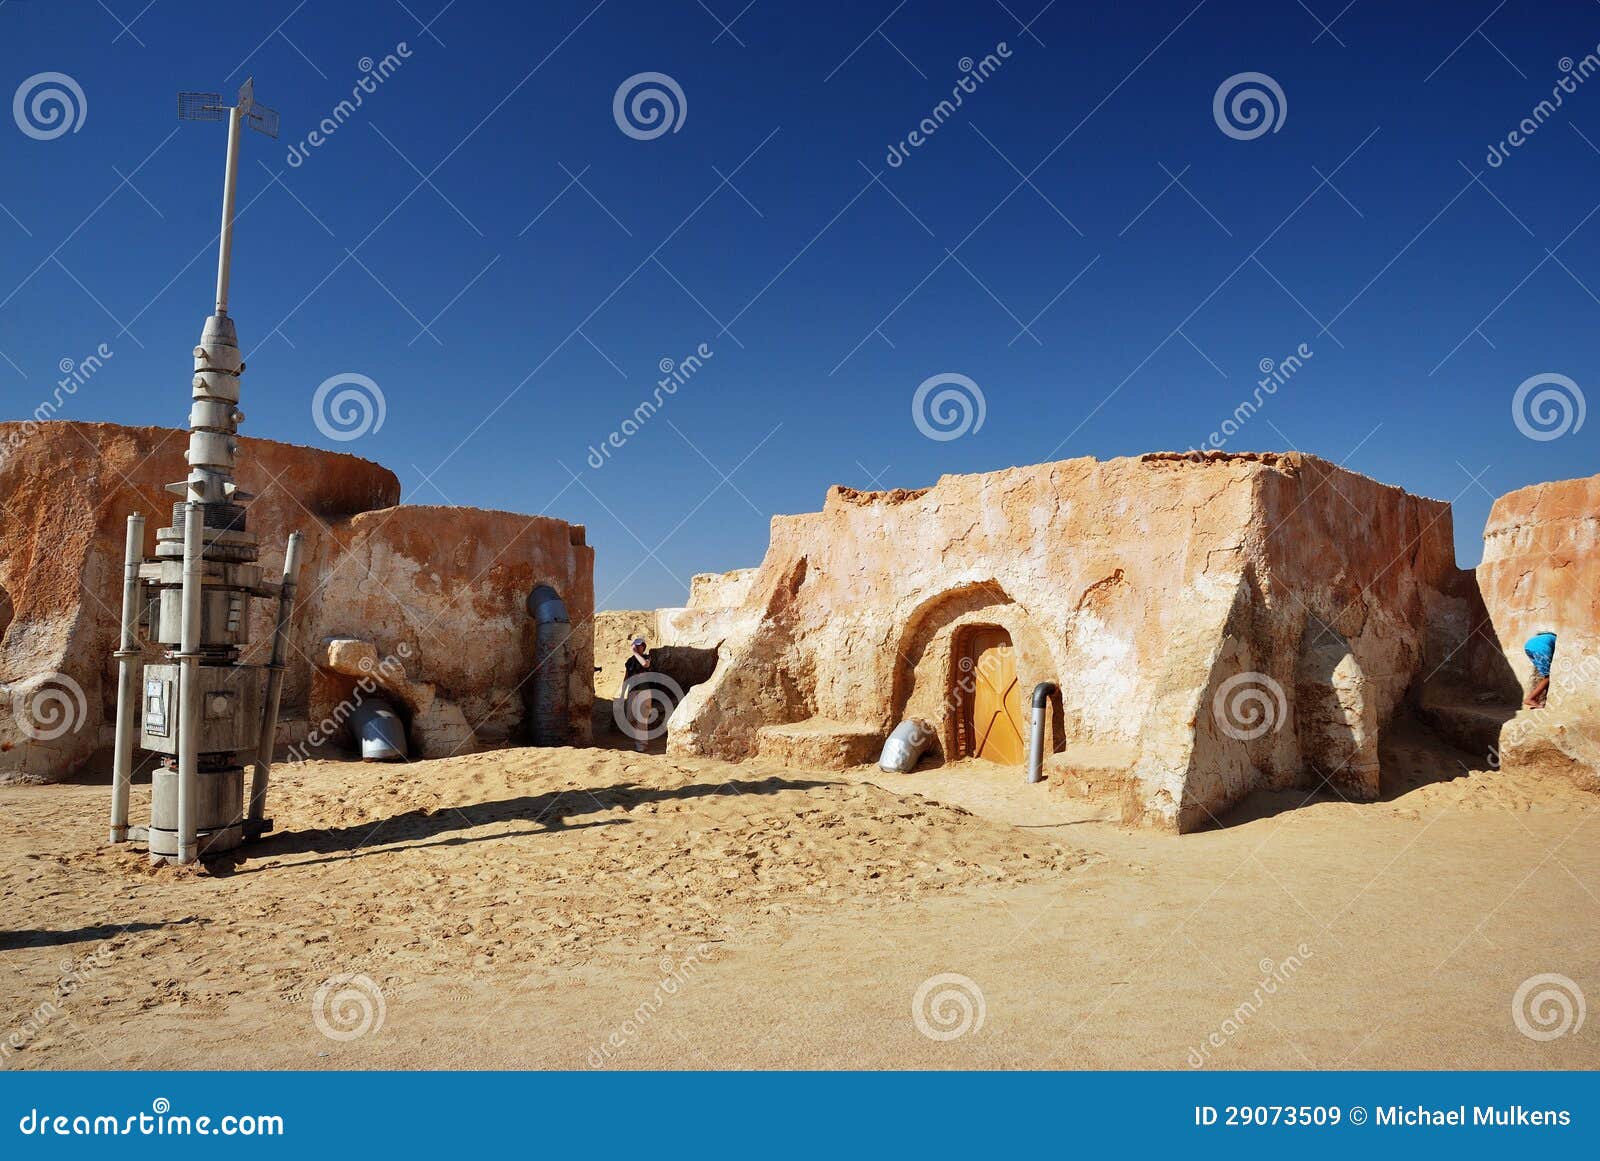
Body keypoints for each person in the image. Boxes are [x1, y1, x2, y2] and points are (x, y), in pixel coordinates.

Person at [622, 636, 653, 751]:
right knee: (630, 718)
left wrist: (635, 653)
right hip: (632, 692)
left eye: (639, 645)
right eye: (635, 645)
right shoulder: (629, 661)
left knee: (642, 719)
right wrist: (622, 694)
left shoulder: (646, 657)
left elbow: (645, 664)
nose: (637, 647)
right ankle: (639, 740)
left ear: (643, 647)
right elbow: (626, 678)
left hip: (644, 691)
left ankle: (641, 744)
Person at [1523, 630, 1557, 709]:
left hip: (1528, 646)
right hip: (1541, 648)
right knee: (1548, 677)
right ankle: (1530, 699)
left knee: (1544, 675)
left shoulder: (1546, 637)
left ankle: (1537, 700)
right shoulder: (1556, 639)